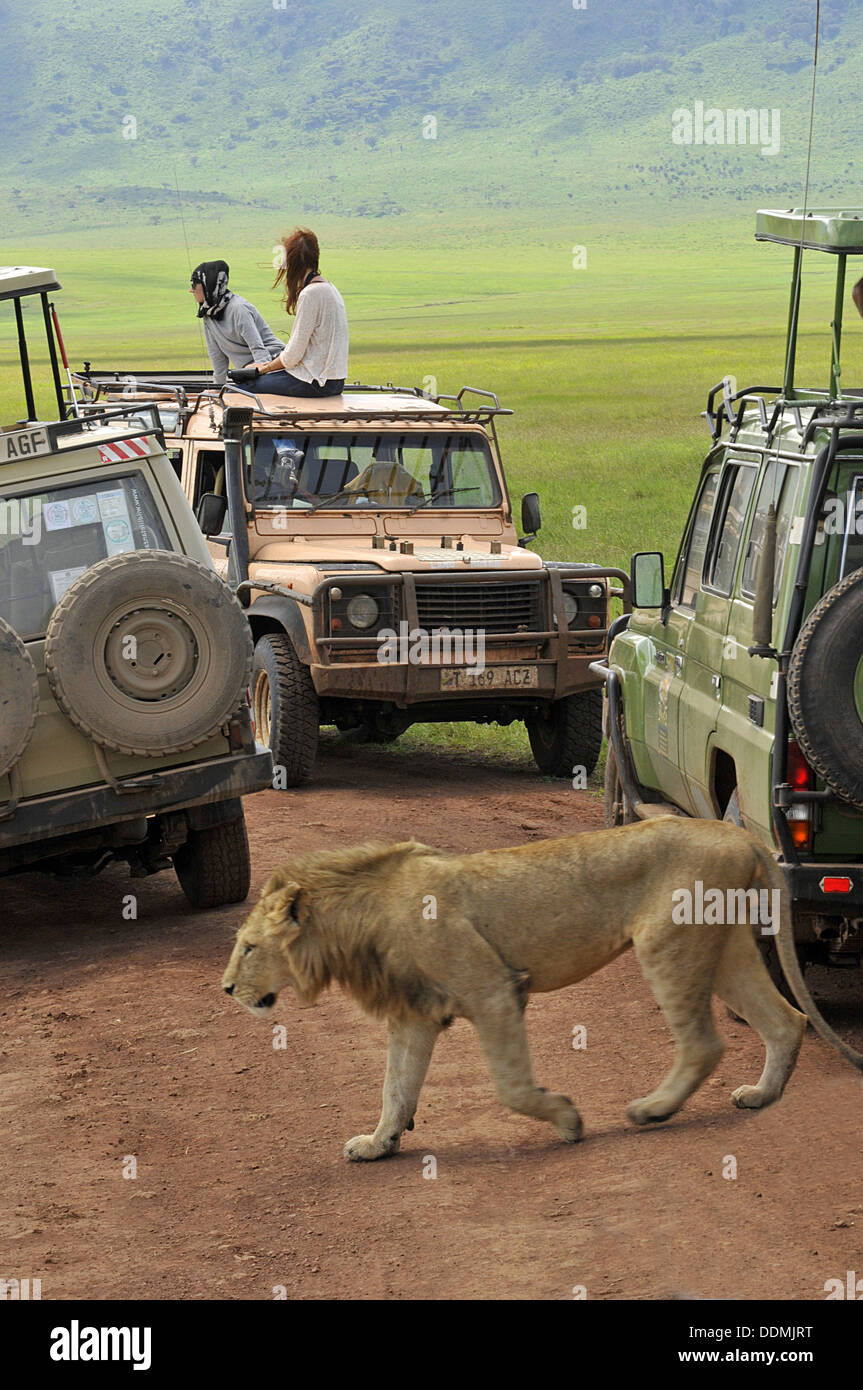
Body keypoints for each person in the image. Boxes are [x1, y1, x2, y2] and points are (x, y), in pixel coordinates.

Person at [228, 229, 348, 397]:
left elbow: (293, 356)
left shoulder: (310, 294)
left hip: (312, 382)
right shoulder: (330, 289)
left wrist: (263, 368)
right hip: (335, 381)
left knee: (242, 388)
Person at [190, 260, 285, 385]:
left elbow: (259, 350)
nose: (190, 290)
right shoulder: (208, 314)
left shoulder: (239, 308)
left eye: (193, 285)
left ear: (208, 284)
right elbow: (217, 356)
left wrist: (262, 380)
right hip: (250, 371)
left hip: (274, 365)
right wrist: (218, 388)